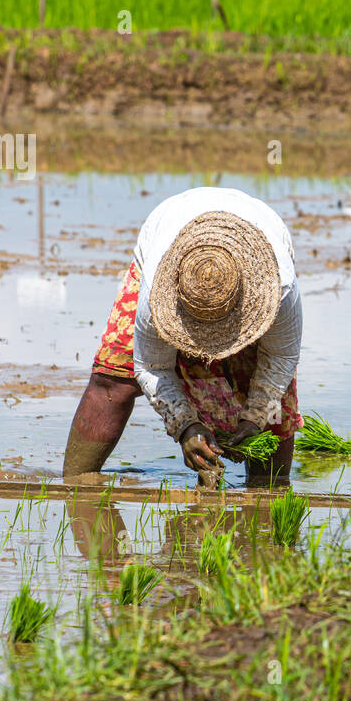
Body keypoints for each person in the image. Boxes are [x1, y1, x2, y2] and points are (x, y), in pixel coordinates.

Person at [63, 188, 302, 486]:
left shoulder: (279, 288)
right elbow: (151, 366)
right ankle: (74, 486)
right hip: (167, 240)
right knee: (114, 378)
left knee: (270, 410)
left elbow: (281, 358)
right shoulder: (155, 292)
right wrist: (184, 425)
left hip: (253, 280)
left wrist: (255, 416)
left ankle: (266, 501)